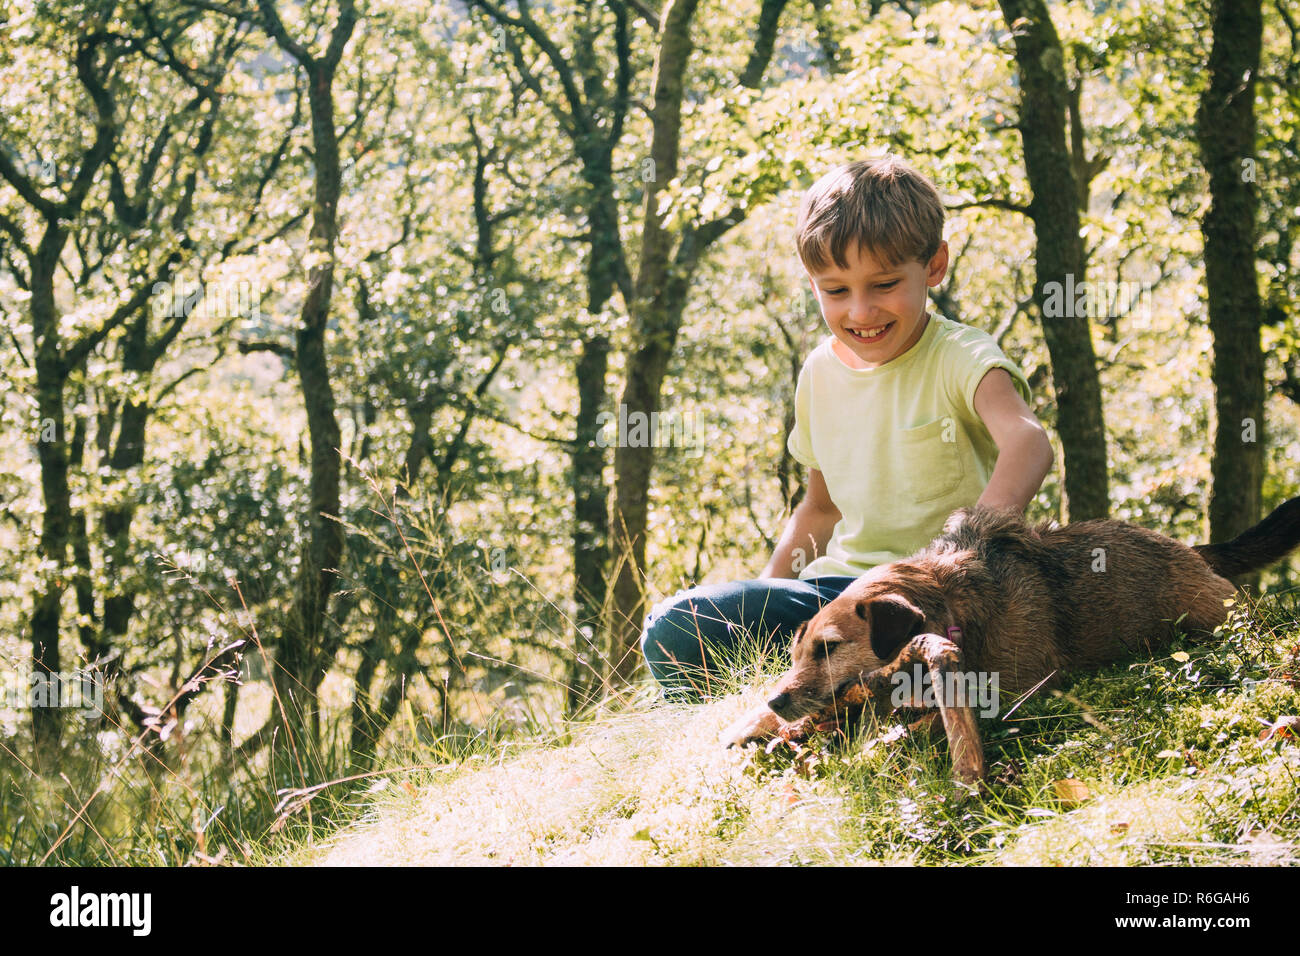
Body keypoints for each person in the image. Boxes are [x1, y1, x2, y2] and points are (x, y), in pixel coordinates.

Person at [640, 155, 1055, 697]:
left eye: (884, 284)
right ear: (813, 284)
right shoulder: (818, 372)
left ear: (933, 266)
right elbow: (820, 507)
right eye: (835, 291)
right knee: (677, 625)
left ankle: (888, 687)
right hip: (835, 595)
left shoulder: (961, 356)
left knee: (925, 656)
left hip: (937, 599)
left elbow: (1028, 441)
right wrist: (767, 602)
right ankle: (794, 699)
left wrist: (958, 557)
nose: (860, 312)